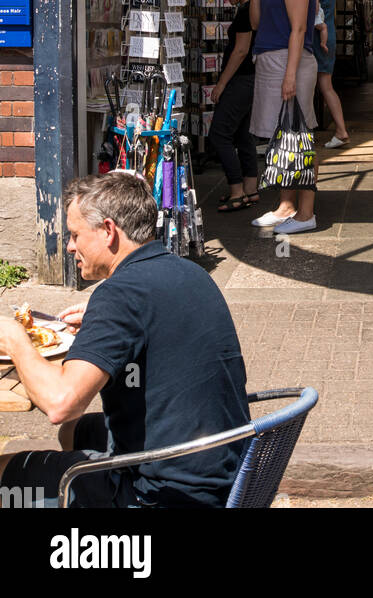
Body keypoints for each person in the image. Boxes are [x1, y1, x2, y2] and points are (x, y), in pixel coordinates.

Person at [0, 173, 249, 508]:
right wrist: (98, 328)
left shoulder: (119, 294)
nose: (70, 246)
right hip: (225, 474)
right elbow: (151, 323)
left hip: (163, 494)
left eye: (75, 234)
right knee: (76, 433)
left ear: (108, 230)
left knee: (5, 472)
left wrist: (16, 340)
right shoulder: (191, 274)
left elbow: (61, 404)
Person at [249, 0, 320, 234]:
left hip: (289, 62)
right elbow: (256, 22)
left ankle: (306, 213)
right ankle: (286, 205)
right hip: (274, 60)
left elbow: (299, 29)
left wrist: (290, 75)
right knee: (284, 137)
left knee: (300, 135)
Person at [210, 0, 259, 212]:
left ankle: (237, 191)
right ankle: (250, 188)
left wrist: (221, 84)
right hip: (250, 79)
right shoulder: (252, 7)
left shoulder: (245, 11)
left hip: (241, 79)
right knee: (241, 135)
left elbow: (240, 51)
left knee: (219, 134)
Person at [299, 0, 350, 150]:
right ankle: (340, 130)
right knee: (325, 86)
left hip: (316, 38)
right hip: (326, 38)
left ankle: (306, 133)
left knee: (311, 87)